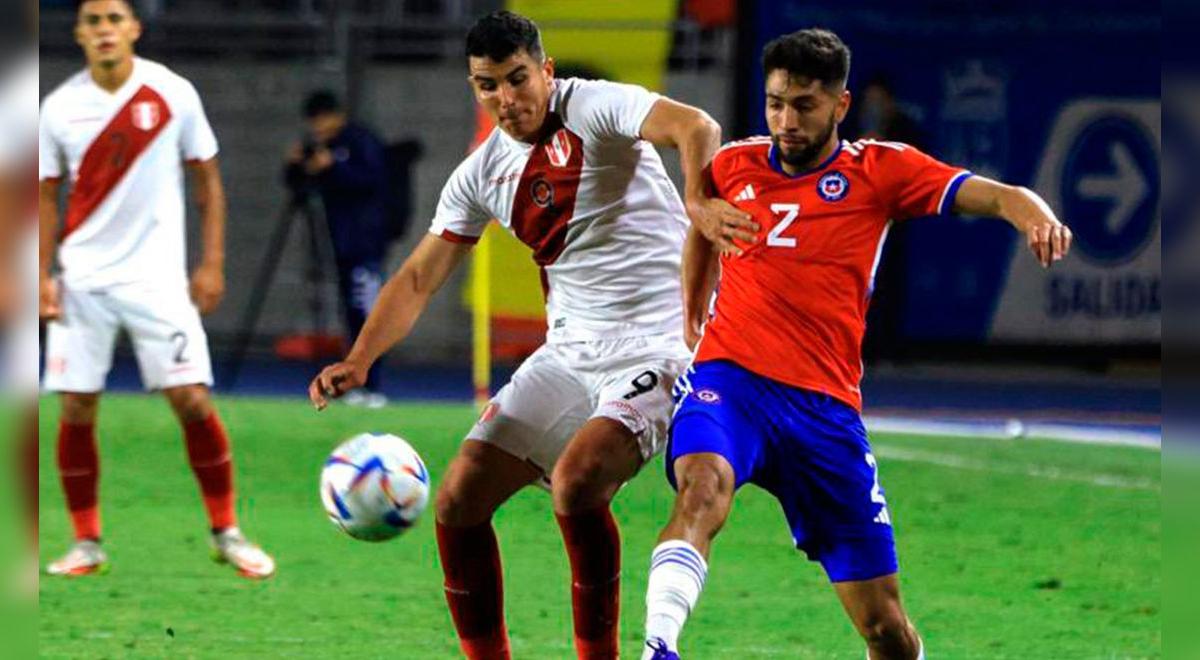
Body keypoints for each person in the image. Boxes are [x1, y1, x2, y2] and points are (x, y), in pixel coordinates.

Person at [309, 10, 750, 659]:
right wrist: (360, 357)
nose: (507, 99)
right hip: (569, 352)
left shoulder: (593, 107)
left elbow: (697, 126)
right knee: (458, 499)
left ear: (546, 70)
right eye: (488, 85)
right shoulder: (481, 173)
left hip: (659, 343)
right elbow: (419, 277)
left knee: (578, 483)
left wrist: (698, 200)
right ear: (474, 87)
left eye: (518, 79)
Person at [639, 28, 1072, 660]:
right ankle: (659, 644)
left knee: (885, 629)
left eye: (804, 105)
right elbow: (703, 222)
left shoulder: (880, 170)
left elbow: (998, 194)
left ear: (840, 105)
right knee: (701, 487)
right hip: (730, 381)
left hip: (824, 411)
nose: (787, 121)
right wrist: (692, 307)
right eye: (775, 103)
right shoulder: (733, 164)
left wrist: (1032, 214)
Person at [38, 0, 274, 579]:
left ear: (134, 29)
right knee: (76, 404)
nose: (104, 30)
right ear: (79, 34)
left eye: (114, 19)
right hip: (82, 279)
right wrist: (37, 274)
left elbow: (208, 182)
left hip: (158, 280)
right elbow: (42, 196)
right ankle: (86, 543)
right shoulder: (59, 108)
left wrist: (212, 263)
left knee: (191, 398)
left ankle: (227, 531)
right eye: (93, 22)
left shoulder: (172, 92)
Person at [286, 91, 394, 407]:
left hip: (366, 242)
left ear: (336, 115)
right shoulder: (321, 146)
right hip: (341, 243)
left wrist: (334, 167)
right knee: (351, 313)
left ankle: (373, 385)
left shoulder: (361, 142)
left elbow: (373, 181)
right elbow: (299, 185)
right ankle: (356, 382)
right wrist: (296, 166)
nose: (318, 127)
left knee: (367, 311)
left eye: (322, 119)